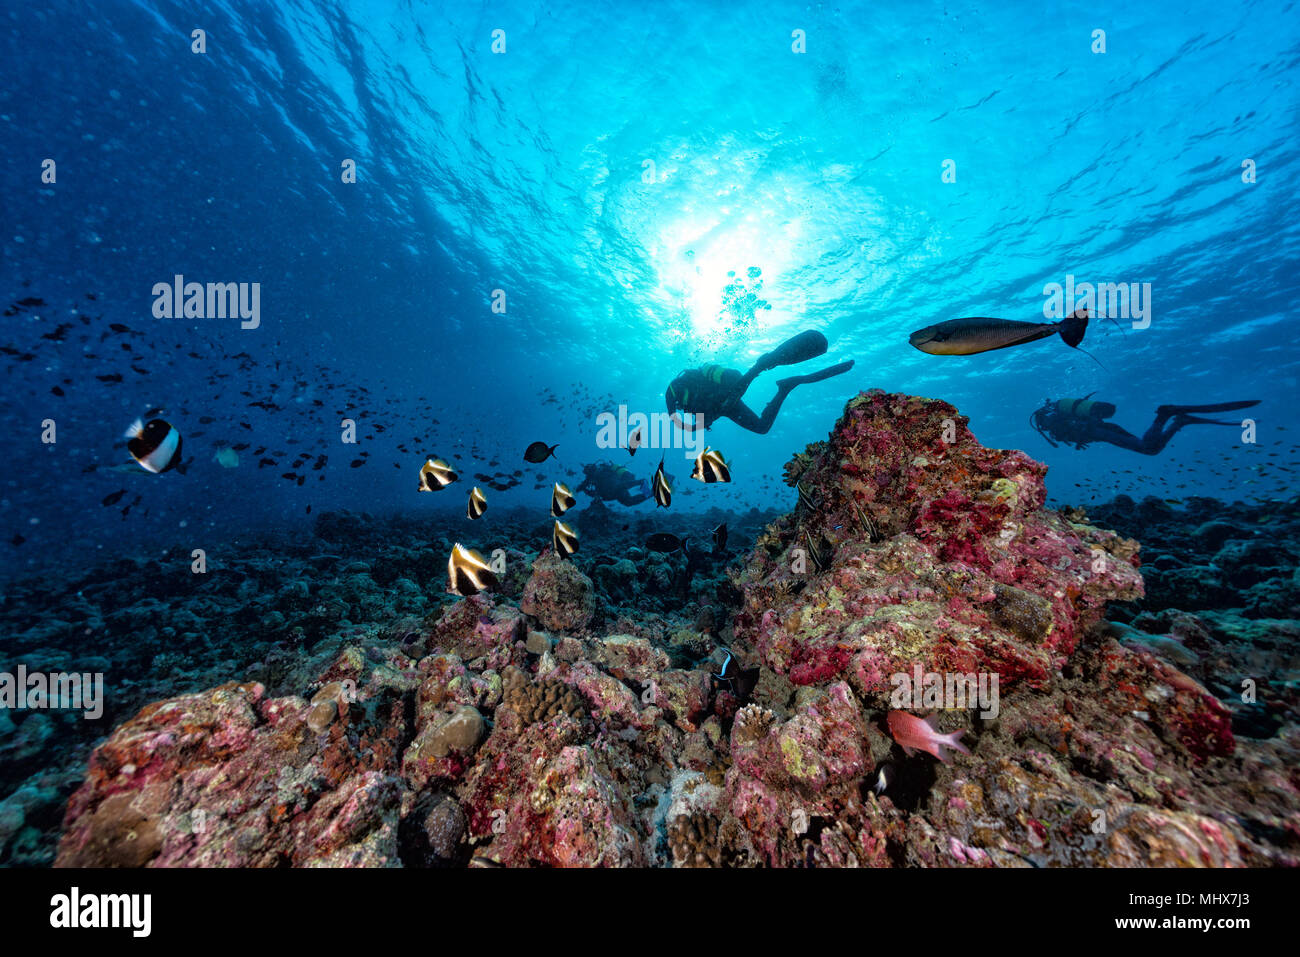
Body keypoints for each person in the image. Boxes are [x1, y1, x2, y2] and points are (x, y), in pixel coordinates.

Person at [665, 330, 854, 434]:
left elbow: (675, 419)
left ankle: (762, 364)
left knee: (734, 388)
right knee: (762, 428)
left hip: (727, 388)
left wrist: (691, 425)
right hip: (724, 406)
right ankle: (785, 387)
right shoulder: (685, 401)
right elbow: (684, 421)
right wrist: (702, 422)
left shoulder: (673, 390)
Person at [1029, 395, 1260, 455]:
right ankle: (1178, 420)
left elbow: (1070, 432)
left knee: (1148, 449)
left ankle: (1168, 416)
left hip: (1098, 430)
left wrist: (1079, 436)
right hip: (1100, 429)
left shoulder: (1049, 423)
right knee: (1148, 448)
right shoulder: (1055, 415)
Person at [575, 462, 653, 506]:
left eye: (587, 471)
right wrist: (583, 490)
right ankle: (651, 493)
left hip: (615, 487)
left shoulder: (600, 473)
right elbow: (593, 491)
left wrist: (581, 489)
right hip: (614, 493)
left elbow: (599, 488)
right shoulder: (593, 478)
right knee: (628, 502)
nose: (587, 474)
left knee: (621, 486)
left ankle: (641, 481)